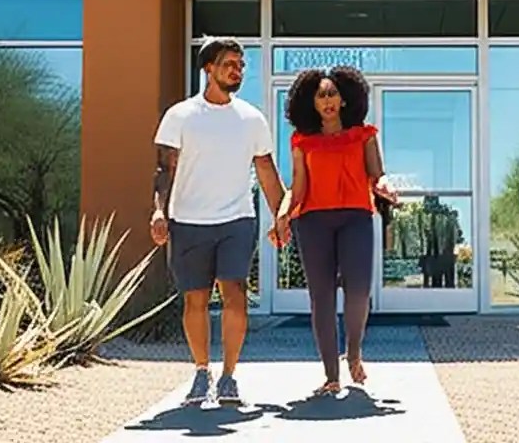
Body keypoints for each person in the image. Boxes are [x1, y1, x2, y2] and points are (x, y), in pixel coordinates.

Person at [151, 37, 287, 406]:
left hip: (236, 219)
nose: (238, 70)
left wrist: (282, 215)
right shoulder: (180, 115)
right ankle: (200, 372)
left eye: (241, 64)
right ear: (208, 68)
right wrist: (159, 210)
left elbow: (267, 171)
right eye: (230, 63)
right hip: (189, 220)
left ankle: (229, 375)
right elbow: (165, 168)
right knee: (195, 300)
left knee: (235, 294)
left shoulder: (251, 118)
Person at [271, 65, 396, 396]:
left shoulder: (364, 135)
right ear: (311, 103)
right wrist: (282, 216)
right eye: (320, 95)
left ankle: (353, 351)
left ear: (344, 100)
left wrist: (387, 188)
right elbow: (296, 188)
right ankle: (331, 375)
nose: (327, 100)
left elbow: (377, 175)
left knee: (358, 290)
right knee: (321, 298)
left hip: (356, 216)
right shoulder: (302, 140)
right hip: (313, 222)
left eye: (332, 94)